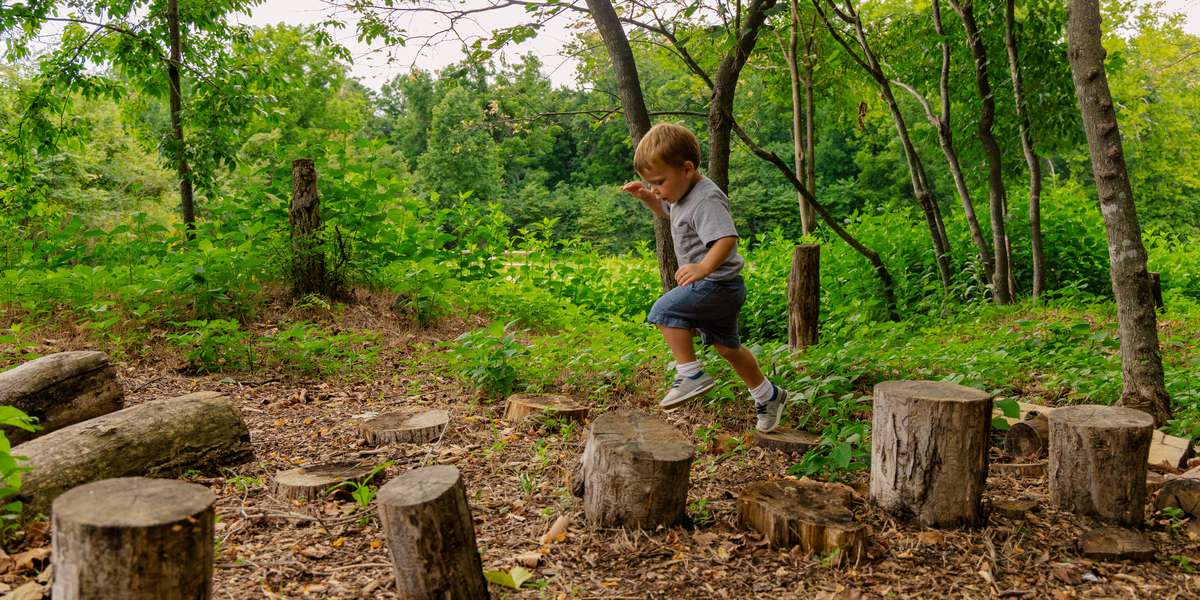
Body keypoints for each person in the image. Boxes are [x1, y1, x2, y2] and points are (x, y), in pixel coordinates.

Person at [621, 123, 789, 433]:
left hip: (716, 285)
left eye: (659, 182)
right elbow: (670, 213)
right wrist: (649, 198)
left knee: (664, 312)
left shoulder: (706, 199)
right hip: (721, 287)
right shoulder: (683, 194)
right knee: (728, 349)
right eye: (651, 184)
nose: (657, 189)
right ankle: (768, 395)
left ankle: (690, 374)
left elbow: (726, 239)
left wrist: (703, 268)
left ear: (686, 168)